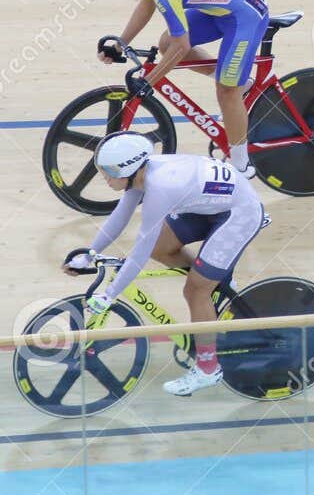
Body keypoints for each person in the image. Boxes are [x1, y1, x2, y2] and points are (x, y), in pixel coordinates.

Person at [65, 132, 270, 396]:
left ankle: (209, 369)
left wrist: (109, 295)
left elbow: (139, 251)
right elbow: (119, 217)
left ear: (126, 168)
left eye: (106, 171)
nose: (102, 177)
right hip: (211, 205)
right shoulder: (141, 174)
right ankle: (217, 280)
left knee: (195, 290)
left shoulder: (160, 187)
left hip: (239, 212)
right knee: (164, 248)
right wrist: (90, 253)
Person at [96, 0, 271, 176]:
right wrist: (119, 45)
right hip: (219, 11)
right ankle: (245, 85)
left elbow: (183, 47)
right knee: (166, 43)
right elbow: (146, 7)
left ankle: (242, 166)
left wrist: (148, 82)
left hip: (244, 17)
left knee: (226, 90)